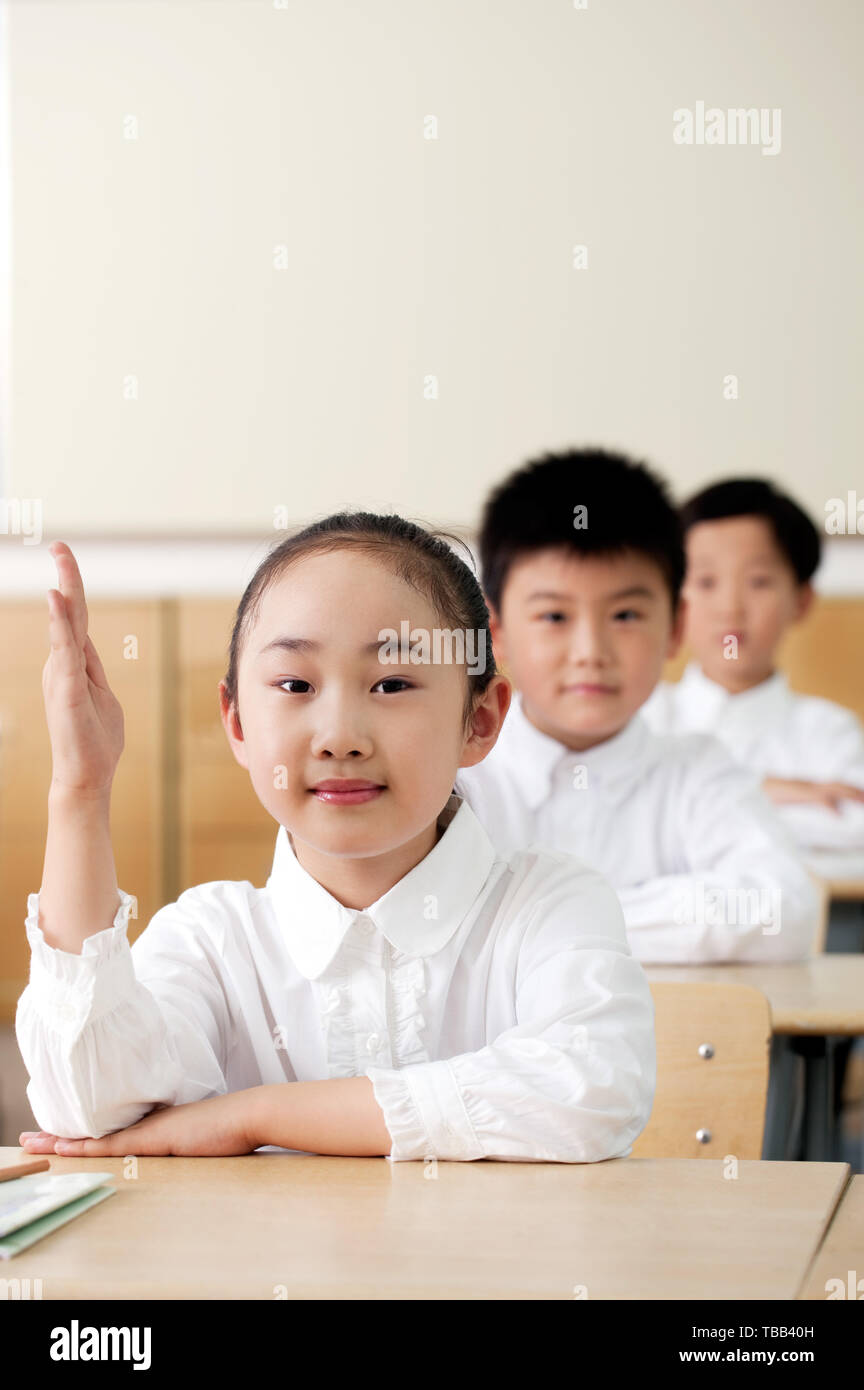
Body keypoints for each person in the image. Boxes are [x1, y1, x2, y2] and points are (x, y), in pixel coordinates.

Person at [15, 515, 654, 1163]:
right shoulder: (212, 938)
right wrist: (80, 790)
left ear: (479, 719)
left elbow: (589, 1092)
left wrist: (252, 1116)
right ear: (236, 721)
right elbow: (92, 1107)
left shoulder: (549, 903)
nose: (340, 735)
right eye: (296, 685)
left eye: (393, 684)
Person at [456, 448, 820, 962]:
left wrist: (549, 920)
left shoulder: (698, 770)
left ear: (674, 627)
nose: (591, 654)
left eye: (625, 614)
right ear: (498, 633)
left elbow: (783, 908)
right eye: (555, 617)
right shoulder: (459, 774)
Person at [641, 477, 864, 852]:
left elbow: (856, 825)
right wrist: (770, 790)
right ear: (675, 602)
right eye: (706, 581)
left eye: (758, 582)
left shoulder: (829, 730)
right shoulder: (643, 714)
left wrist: (684, 803)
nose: (731, 608)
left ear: (802, 600)